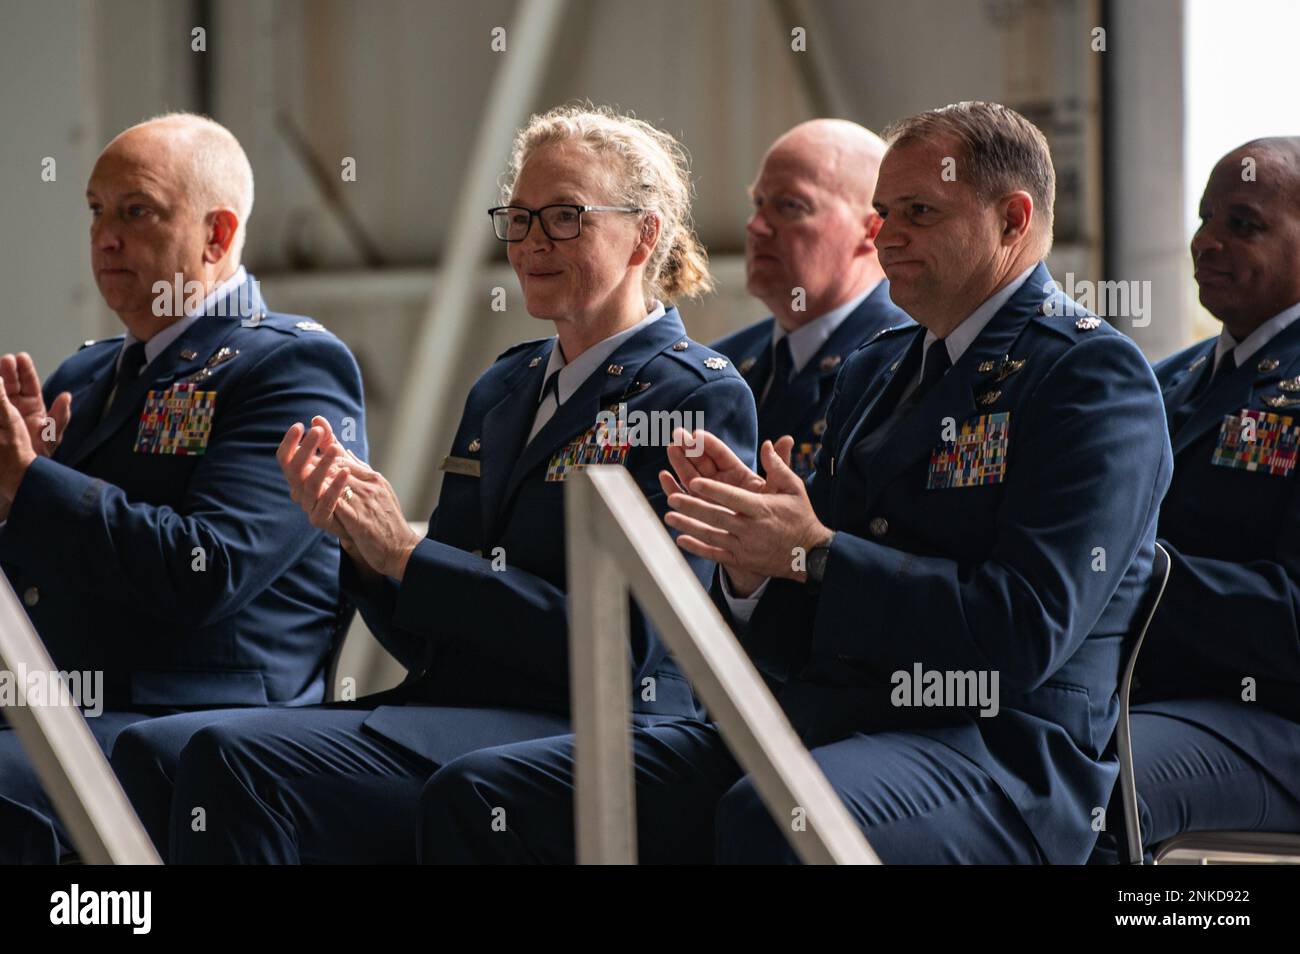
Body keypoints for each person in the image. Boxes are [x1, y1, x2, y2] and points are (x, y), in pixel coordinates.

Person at [420, 102, 1173, 865]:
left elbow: (1021, 632)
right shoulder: (879, 368)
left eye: (918, 211)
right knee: (487, 795)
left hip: (997, 752)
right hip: (831, 720)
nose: (889, 234)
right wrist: (752, 568)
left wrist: (812, 553)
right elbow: (796, 631)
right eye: (883, 212)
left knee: (775, 818)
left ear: (1013, 219)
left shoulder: (1089, 376)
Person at [110, 104, 757, 863]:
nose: (532, 243)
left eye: (563, 218)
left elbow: (627, 646)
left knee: (231, 757)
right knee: (149, 752)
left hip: (596, 721)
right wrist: (364, 547)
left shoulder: (690, 395)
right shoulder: (505, 385)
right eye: (517, 220)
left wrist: (407, 557)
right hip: (456, 706)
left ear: (644, 234)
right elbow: (438, 625)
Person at [0, 112, 366, 863]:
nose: (105, 237)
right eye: (97, 211)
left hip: (191, 721)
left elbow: (208, 568)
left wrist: (34, 485)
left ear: (216, 235)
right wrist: (12, 502)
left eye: (137, 211)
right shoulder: (87, 374)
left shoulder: (290, 370)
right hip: (59, 701)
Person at [1092, 137, 1300, 862]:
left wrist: (1139, 572)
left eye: (1243, 224)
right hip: (1141, 692)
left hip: (1274, 718)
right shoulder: (1162, 380)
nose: (1207, 242)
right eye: (1205, 218)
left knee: (1093, 790)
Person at [711, 120, 910, 477]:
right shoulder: (722, 364)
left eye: (790, 205)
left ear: (872, 231)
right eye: (758, 202)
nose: (755, 226)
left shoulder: (908, 365)